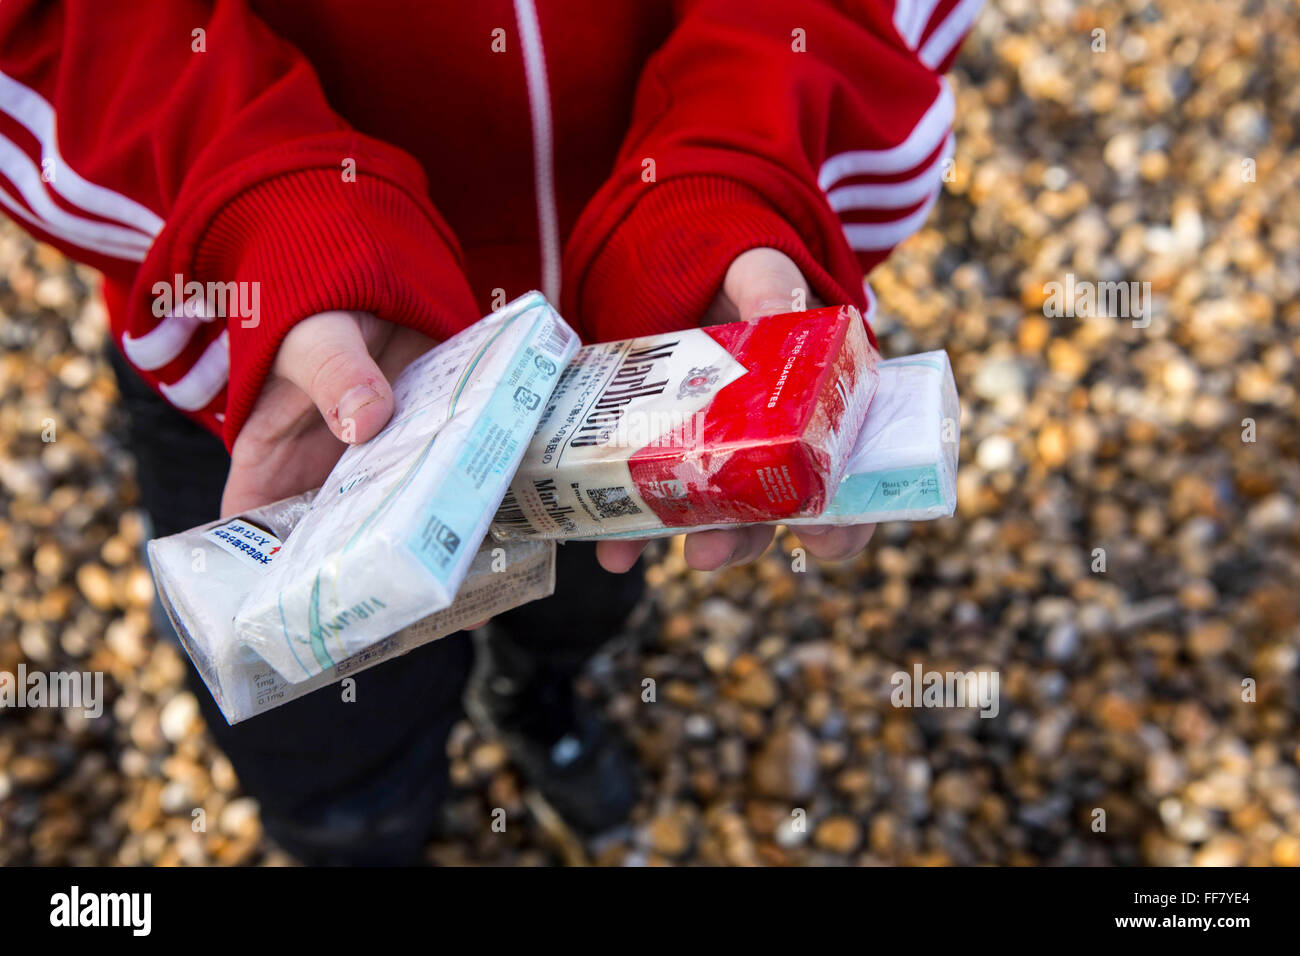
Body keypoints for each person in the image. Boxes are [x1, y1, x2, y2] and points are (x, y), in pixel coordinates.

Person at [0, 0, 980, 863]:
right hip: (291, 354)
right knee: (319, 721)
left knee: (583, 602)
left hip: (628, 335)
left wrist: (739, 159)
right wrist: (263, 214)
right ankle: (360, 831)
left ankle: (534, 698)